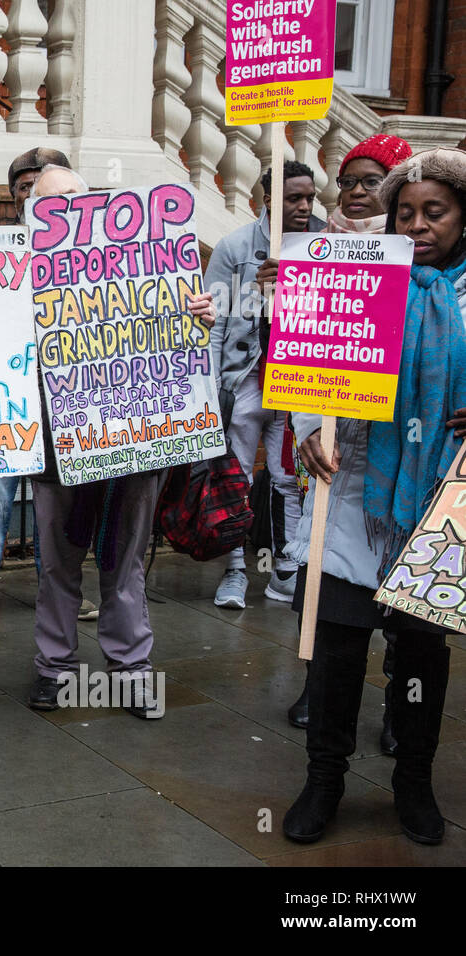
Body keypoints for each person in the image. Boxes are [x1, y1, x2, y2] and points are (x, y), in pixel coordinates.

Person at [283, 147, 466, 846]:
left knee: (421, 654)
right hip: (354, 491)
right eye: (406, 212)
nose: (419, 225)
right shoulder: (356, 273)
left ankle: (413, 784)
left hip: (439, 503)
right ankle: (323, 779)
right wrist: (308, 430)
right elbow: (307, 363)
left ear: (461, 218)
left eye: (436, 212)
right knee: (334, 651)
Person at [24, 166, 215, 719]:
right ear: (33, 212)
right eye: (53, 205)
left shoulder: (143, 264)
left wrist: (199, 315)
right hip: (59, 449)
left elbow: (182, 349)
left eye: (77, 200)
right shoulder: (15, 271)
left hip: (134, 441)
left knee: (125, 560)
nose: (69, 213)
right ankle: (54, 670)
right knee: (59, 563)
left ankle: (129, 671)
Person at [283, 134, 412, 740]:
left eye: (374, 183)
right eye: (351, 181)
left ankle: (398, 707)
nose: (359, 193)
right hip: (342, 460)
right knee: (331, 600)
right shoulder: (317, 256)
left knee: (404, 611)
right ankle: (323, 701)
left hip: (407, 466)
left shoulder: (433, 269)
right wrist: (308, 425)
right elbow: (303, 353)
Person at [0, 147, 97, 626]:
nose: (37, 195)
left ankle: (59, 589)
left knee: (56, 508)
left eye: (49, 186)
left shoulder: (96, 250)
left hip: (64, 397)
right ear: (16, 195)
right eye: (25, 187)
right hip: (2, 400)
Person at [205, 160, 325, 610]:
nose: (304, 205)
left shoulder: (321, 246)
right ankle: (234, 569)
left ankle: (286, 570)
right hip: (245, 380)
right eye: (294, 197)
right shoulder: (235, 245)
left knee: (289, 478)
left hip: (294, 383)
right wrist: (212, 386)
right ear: (268, 200)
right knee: (232, 476)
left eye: (309, 197)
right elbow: (213, 320)